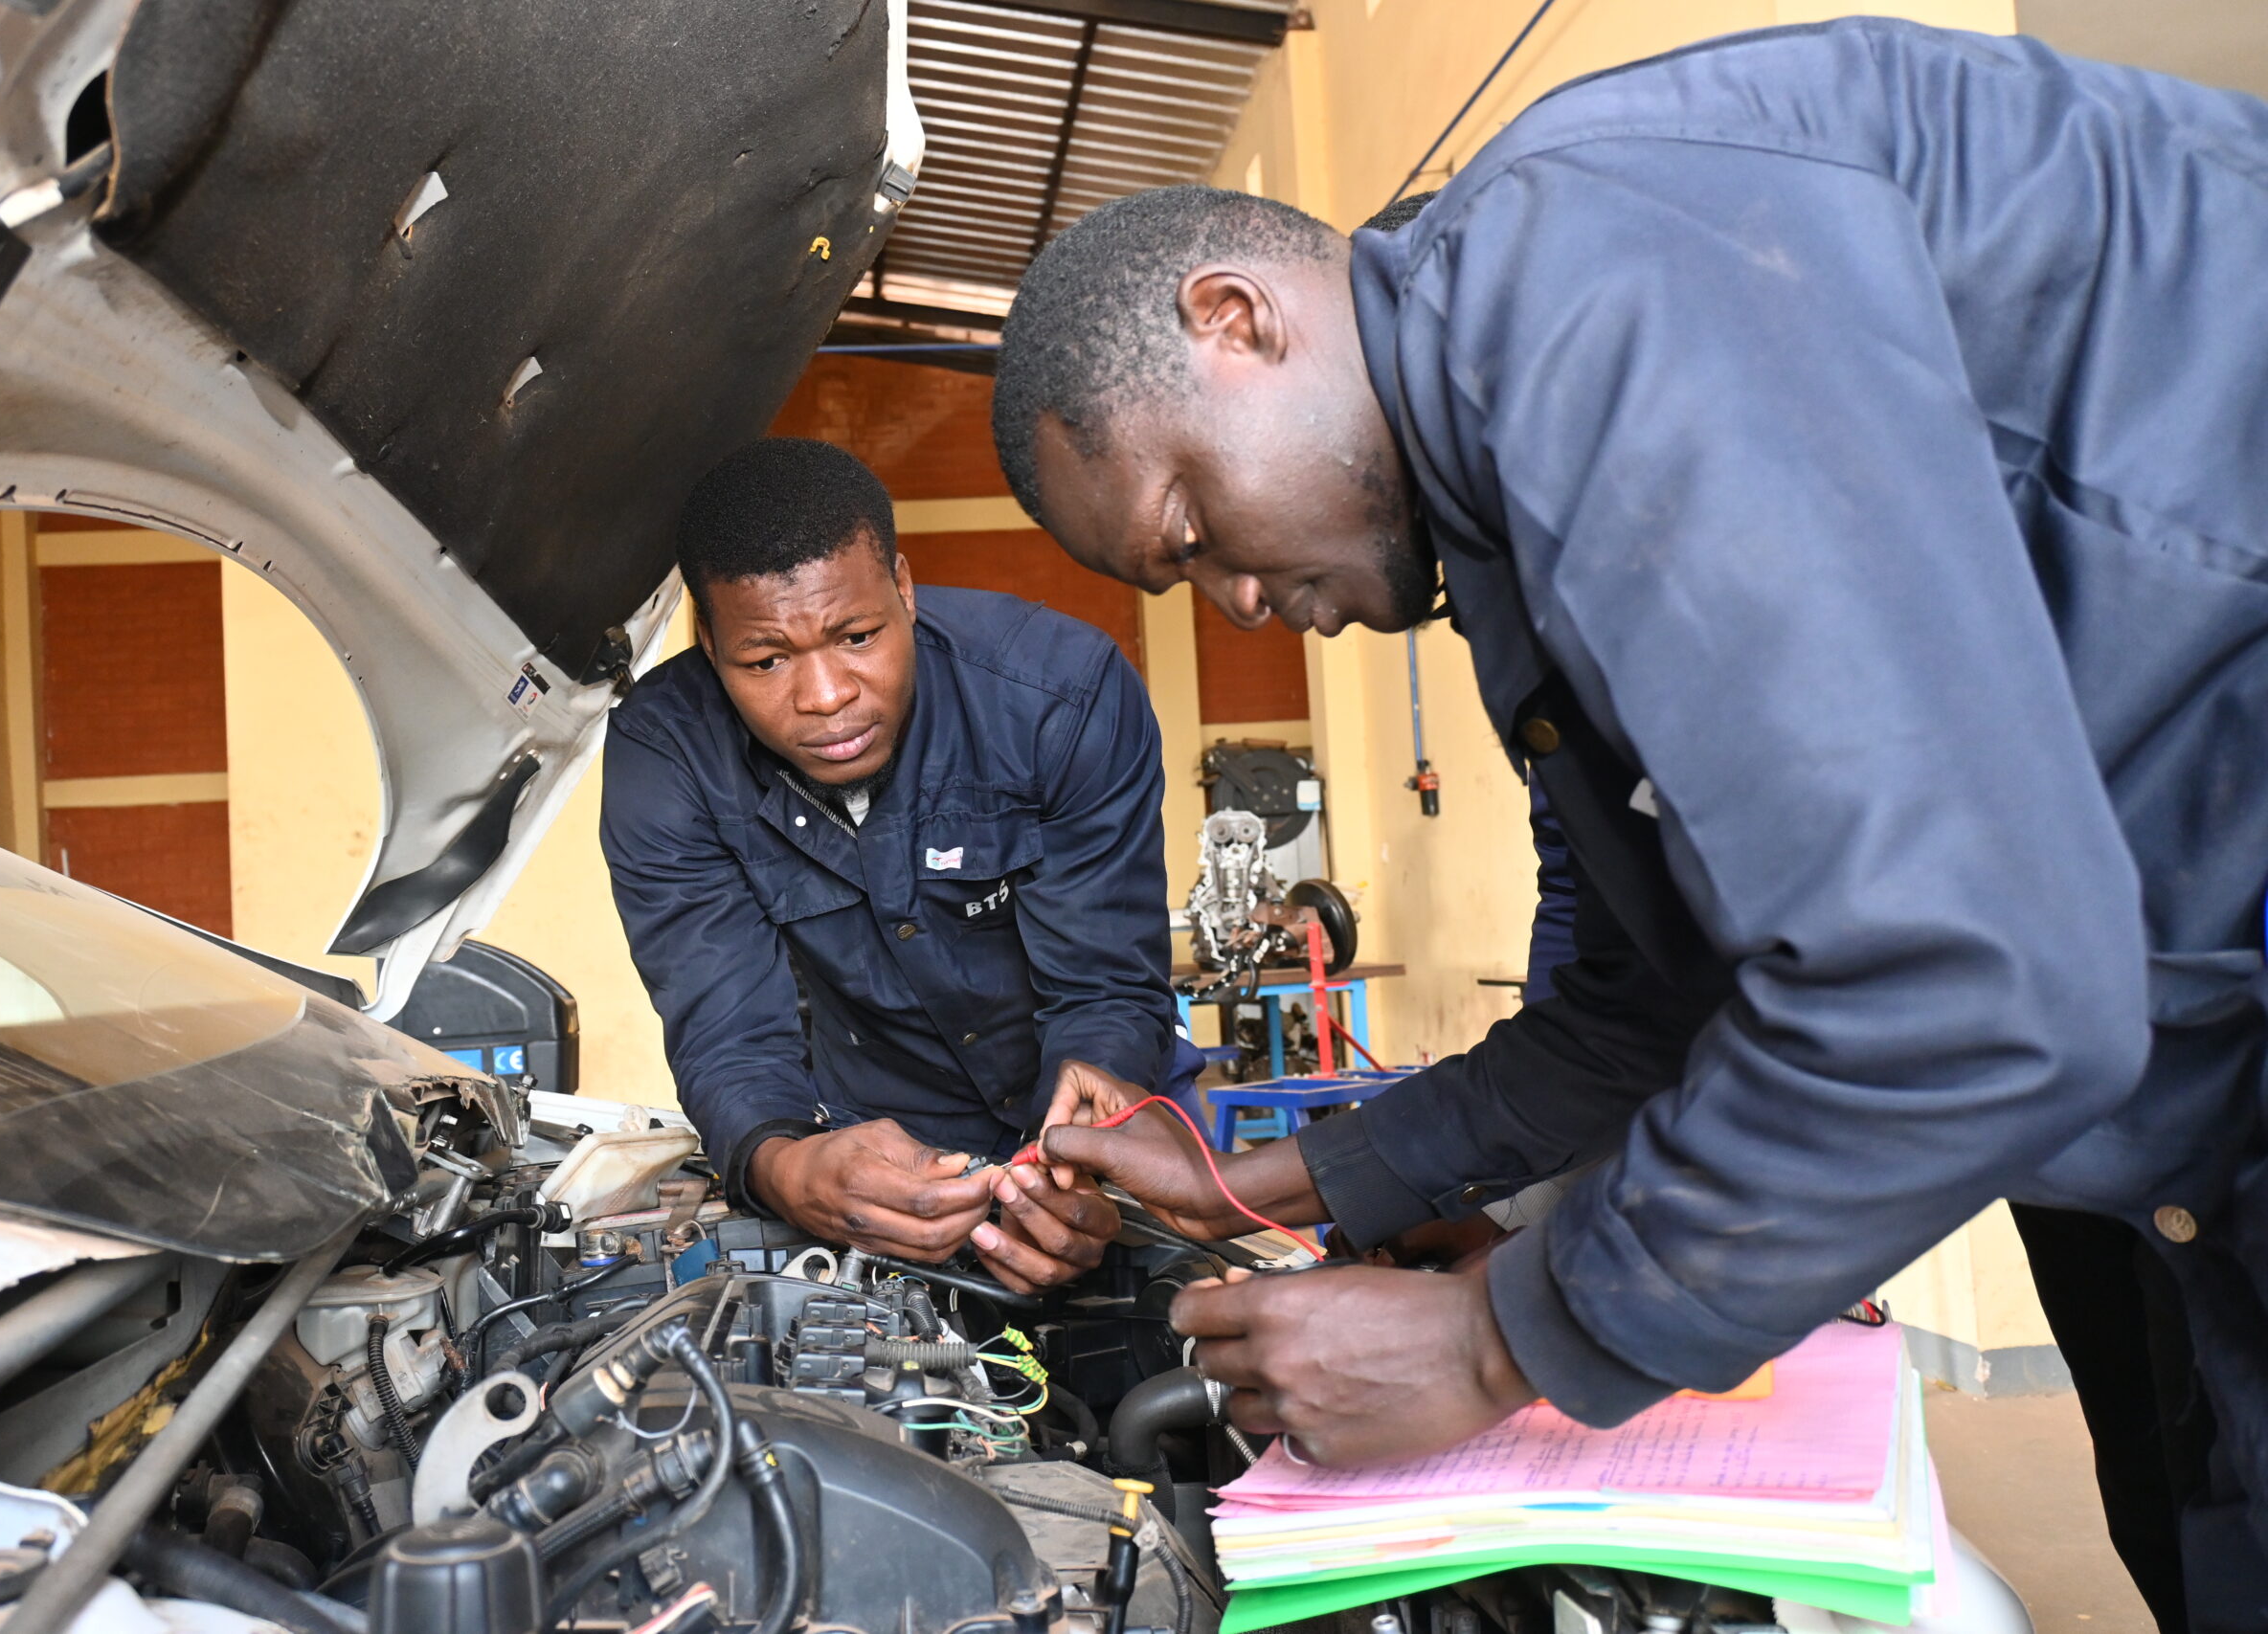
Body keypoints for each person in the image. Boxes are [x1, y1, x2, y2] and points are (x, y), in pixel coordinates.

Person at [989, 21, 2268, 1627]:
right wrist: (1282, 1178)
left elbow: (1970, 981)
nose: (1242, 597)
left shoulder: (1591, 283)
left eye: (1191, 526)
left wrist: (1491, 1343)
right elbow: (1651, 1002)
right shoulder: (1512, 515)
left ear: (1235, 321)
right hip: (2175, 1086)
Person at [601, 436, 1193, 1294]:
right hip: (877, 1168)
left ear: (905, 590)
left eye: (857, 635)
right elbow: (727, 1024)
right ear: (709, 638)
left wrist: (1078, 1159)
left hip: (1107, 1118)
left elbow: (1105, 986)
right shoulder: (669, 753)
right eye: (766, 659)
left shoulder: (1061, 698)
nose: (825, 694)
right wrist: (786, 1167)